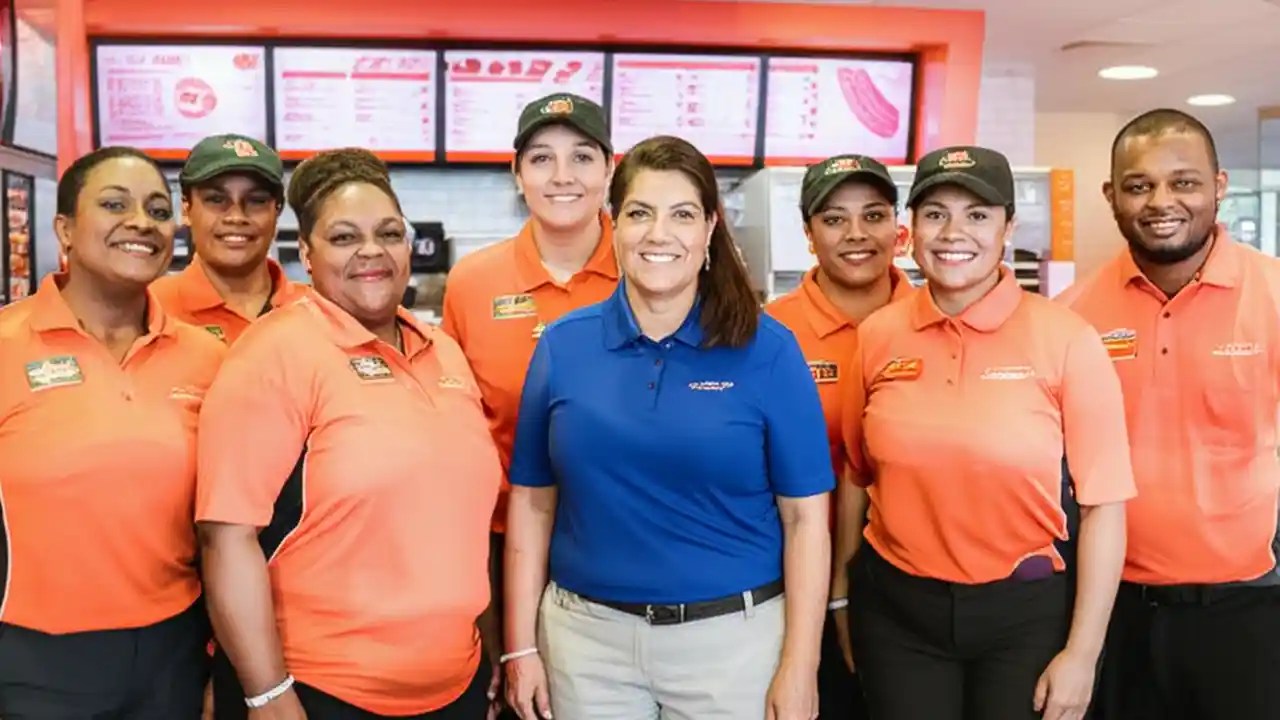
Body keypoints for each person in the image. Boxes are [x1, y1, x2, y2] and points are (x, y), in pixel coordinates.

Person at [503, 135, 833, 720]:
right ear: (614, 224)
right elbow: (533, 503)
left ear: (709, 229)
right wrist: (521, 646)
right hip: (585, 647)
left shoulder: (769, 350)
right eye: (639, 213)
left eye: (682, 214)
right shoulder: (563, 345)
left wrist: (801, 666)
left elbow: (806, 518)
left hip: (732, 647)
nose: (659, 234)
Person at [195, 148, 502, 719]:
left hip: (454, 687)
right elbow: (226, 537)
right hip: (322, 694)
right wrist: (267, 693)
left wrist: (485, 656)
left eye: (389, 233)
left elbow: (464, 523)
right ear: (306, 256)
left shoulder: (446, 352)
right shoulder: (275, 352)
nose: (371, 251)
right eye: (343, 237)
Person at [837, 145, 1135, 720]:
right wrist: (840, 600)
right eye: (935, 214)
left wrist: (1083, 653)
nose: (954, 233)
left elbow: (1105, 508)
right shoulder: (878, 336)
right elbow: (856, 474)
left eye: (977, 215)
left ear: (1008, 228)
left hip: (1023, 613)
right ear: (911, 230)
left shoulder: (1066, 338)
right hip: (898, 611)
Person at [1059, 109, 1280, 720]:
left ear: (1220, 185)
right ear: (1111, 196)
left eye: (1183, 182)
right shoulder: (1070, 315)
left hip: (1251, 613)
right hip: (1110, 615)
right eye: (1139, 185)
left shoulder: (1273, 295)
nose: (1162, 201)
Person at [0, 146, 225, 717]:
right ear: (65, 229)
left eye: (157, 208)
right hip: (33, 662)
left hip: (175, 652)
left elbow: (225, 523)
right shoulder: (6, 344)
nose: (141, 223)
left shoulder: (208, 358)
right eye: (113, 204)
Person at [440, 91, 619, 713]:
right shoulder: (473, 281)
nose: (562, 176)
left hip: (617, 536)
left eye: (582, 157)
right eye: (541, 158)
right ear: (518, 176)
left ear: (610, 169)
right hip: (496, 539)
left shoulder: (651, 266)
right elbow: (454, 417)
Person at [764, 154, 913, 719]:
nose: (856, 235)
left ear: (898, 229)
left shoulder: (933, 319)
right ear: (808, 235)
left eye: (873, 216)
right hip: (790, 585)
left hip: (909, 585)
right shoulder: (768, 332)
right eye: (833, 219)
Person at [151, 133, 304, 345]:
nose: (236, 217)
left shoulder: (316, 310)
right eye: (216, 199)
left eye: (256, 201)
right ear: (186, 210)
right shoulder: (148, 308)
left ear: (276, 212)